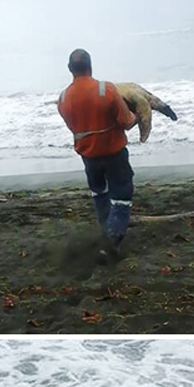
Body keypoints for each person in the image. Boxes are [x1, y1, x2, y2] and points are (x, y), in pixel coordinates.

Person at [56, 48, 137, 261]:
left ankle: (106, 233)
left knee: (100, 193)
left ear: (70, 69)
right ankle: (110, 243)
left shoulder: (63, 99)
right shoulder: (106, 90)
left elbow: (73, 126)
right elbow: (126, 122)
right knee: (122, 195)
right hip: (114, 154)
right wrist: (137, 114)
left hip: (89, 158)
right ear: (91, 66)